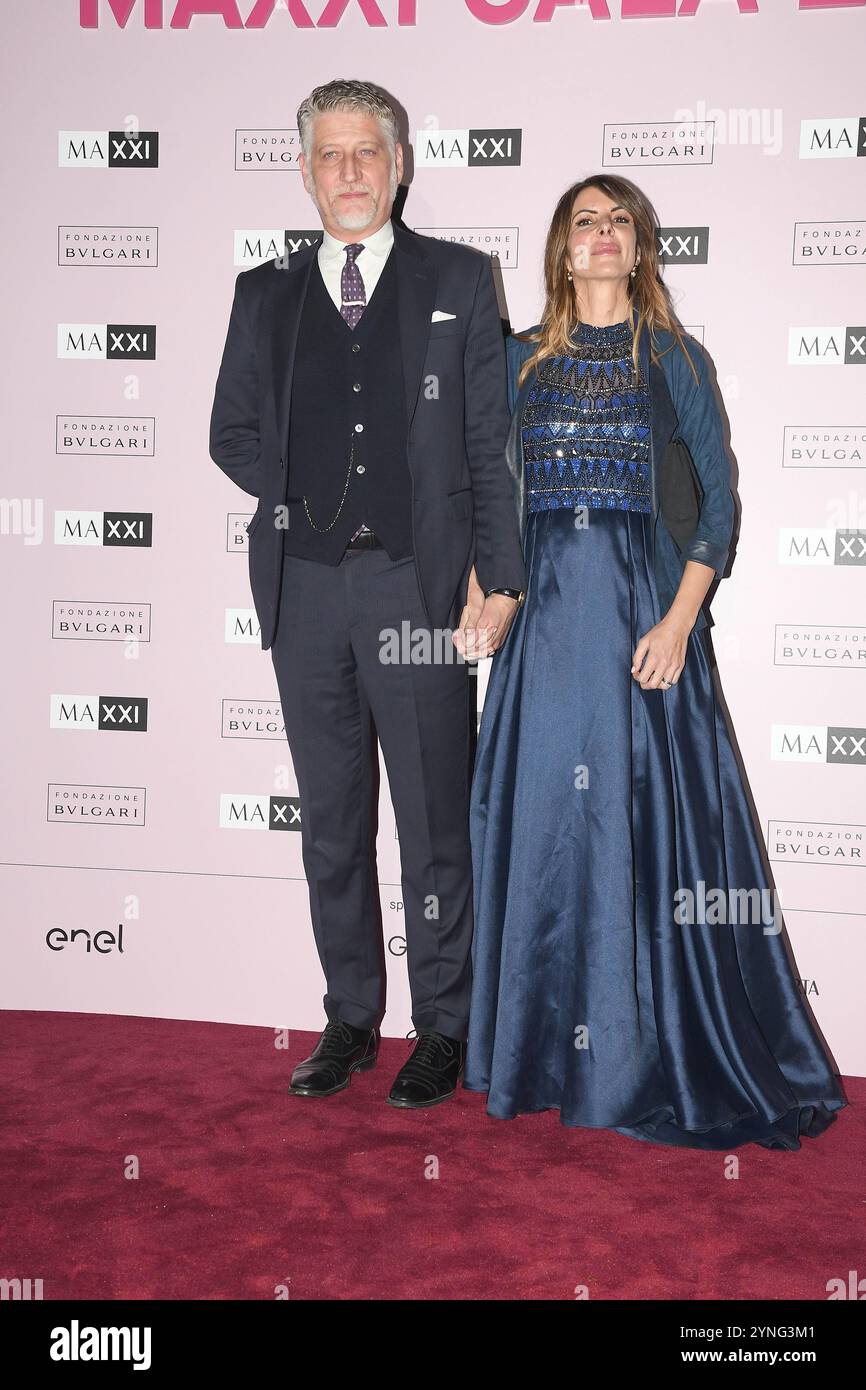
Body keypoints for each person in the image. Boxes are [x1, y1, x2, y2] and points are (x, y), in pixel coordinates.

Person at [459, 174, 848, 1150]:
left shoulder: (672, 356)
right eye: (582, 222)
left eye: (615, 222)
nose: (598, 235)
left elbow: (717, 503)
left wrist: (677, 622)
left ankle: (640, 1054)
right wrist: (483, 593)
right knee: (547, 828)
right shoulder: (512, 361)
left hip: (637, 616)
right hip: (543, 632)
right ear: (560, 247)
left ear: (637, 249)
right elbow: (488, 499)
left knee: (639, 834)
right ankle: (538, 1056)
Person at [209, 80, 525, 1108]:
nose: (347, 172)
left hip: (418, 589)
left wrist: (499, 576)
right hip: (305, 592)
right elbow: (233, 433)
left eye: (365, 154)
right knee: (332, 821)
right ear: (304, 171)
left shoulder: (462, 281)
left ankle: (442, 1025)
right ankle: (349, 1016)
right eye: (328, 156)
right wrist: (306, 494)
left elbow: (492, 446)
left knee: (434, 816)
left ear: (399, 165)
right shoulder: (264, 293)